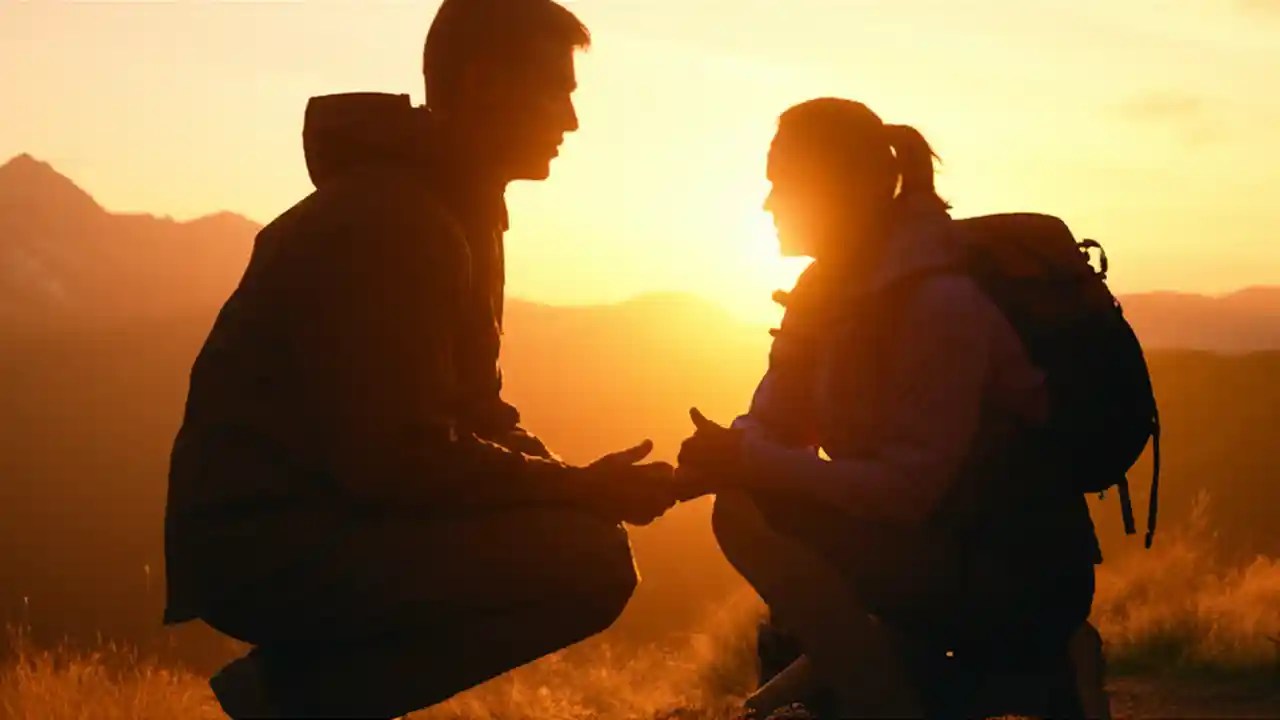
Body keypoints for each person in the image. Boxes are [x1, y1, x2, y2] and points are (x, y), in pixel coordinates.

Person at [163, 1, 678, 717]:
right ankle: (289, 701)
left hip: (308, 519)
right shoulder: (395, 222)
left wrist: (578, 484)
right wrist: (578, 491)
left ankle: (297, 696)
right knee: (587, 562)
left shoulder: (453, 208)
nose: (571, 120)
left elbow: (476, 412)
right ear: (486, 83)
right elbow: (397, 456)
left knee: (586, 542)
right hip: (267, 543)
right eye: (557, 90)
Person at [678, 98, 1104, 718]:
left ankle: (1013, 670)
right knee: (746, 508)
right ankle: (981, 678)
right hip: (929, 546)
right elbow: (776, 422)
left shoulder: (941, 304)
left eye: (786, 184)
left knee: (746, 517)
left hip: (1017, 574)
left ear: (852, 189)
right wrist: (726, 454)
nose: (769, 204)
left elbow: (908, 492)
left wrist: (745, 459)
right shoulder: (827, 293)